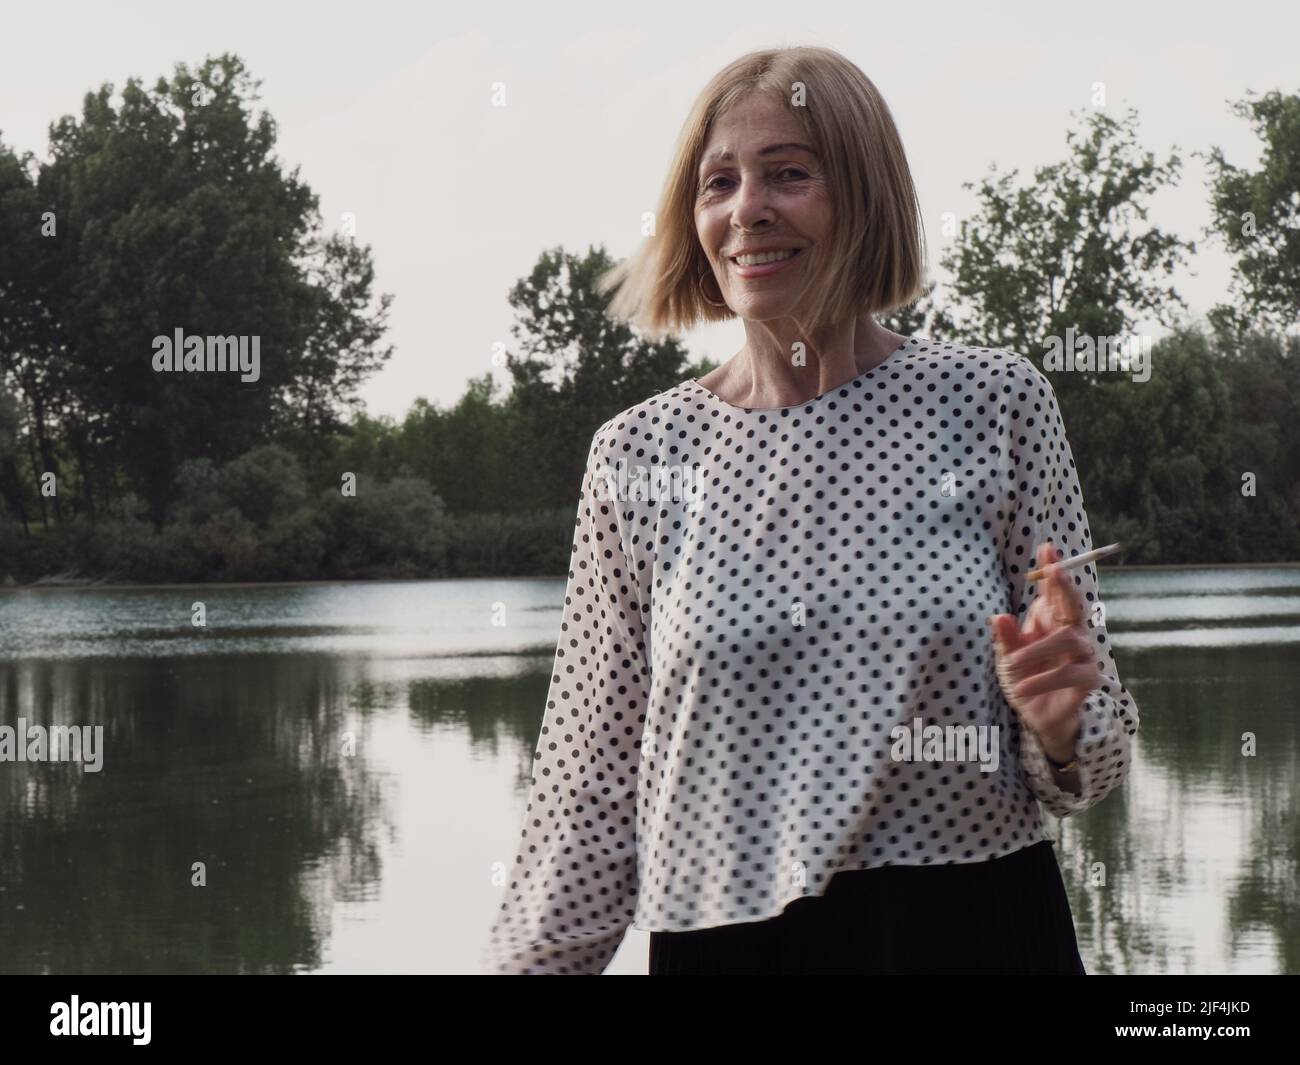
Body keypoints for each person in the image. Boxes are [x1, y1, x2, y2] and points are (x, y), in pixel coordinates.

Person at [483, 44, 1139, 975]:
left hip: (978, 932)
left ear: (864, 196)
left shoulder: (997, 402)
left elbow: (1092, 760)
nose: (748, 207)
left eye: (788, 174)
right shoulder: (638, 455)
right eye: (720, 182)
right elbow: (582, 808)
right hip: (726, 950)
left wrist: (1061, 720)